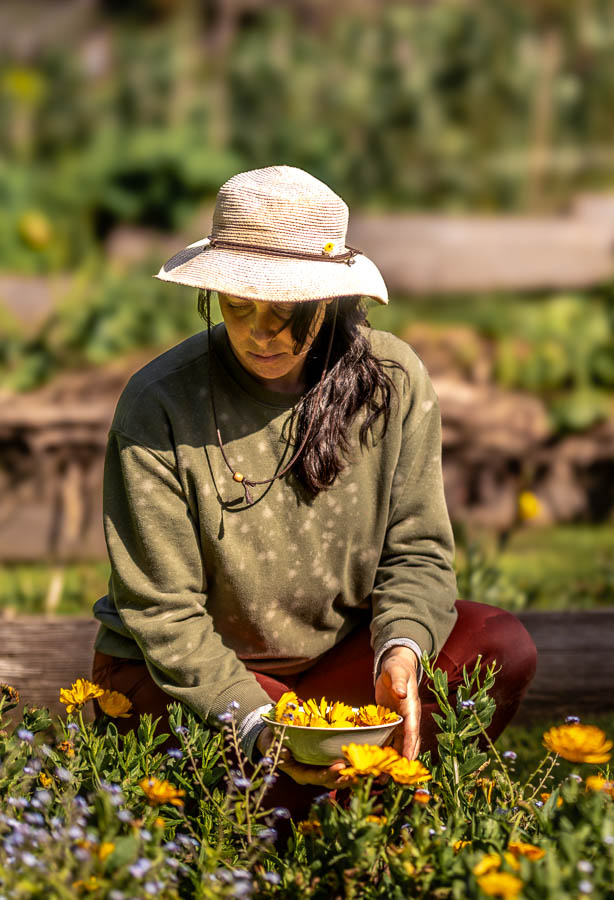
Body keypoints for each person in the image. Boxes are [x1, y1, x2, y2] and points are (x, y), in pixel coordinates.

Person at [88, 166, 537, 814]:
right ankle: (320, 812)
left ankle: (338, 809)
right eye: (237, 304)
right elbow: (163, 616)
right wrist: (262, 722)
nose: (260, 332)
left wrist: (401, 651)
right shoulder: (158, 405)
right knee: (281, 784)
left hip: (332, 674)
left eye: (284, 309)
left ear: (328, 299)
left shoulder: (393, 382)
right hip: (180, 683)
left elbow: (418, 552)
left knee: (498, 644)